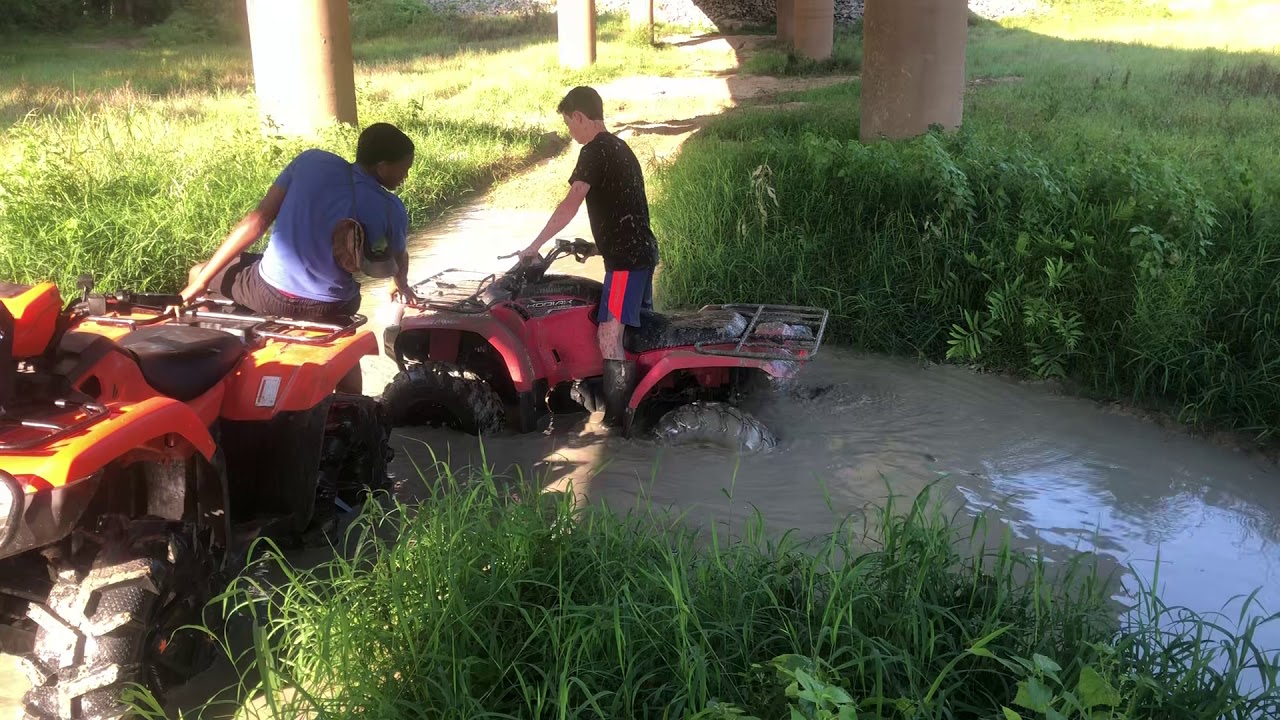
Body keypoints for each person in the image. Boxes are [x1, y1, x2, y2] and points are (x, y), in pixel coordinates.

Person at [179, 122, 419, 393]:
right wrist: (401, 285)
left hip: (267, 293)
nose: (406, 176)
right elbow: (397, 260)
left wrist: (200, 282)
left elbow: (257, 221)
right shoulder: (392, 209)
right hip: (332, 307)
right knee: (343, 346)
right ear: (382, 166)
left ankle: (203, 366)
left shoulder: (311, 162)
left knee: (199, 270)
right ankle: (357, 406)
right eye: (404, 168)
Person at [520, 86, 660, 428]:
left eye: (569, 123)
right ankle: (645, 404)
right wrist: (597, 247)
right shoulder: (620, 147)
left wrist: (535, 244)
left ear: (578, 117)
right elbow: (629, 211)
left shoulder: (594, 151)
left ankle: (617, 421)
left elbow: (572, 201)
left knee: (609, 334)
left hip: (626, 262)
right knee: (635, 332)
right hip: (637, 252)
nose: (570, 131)